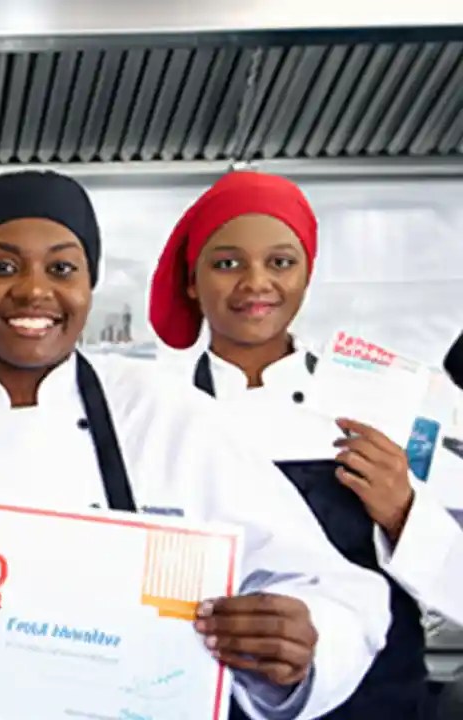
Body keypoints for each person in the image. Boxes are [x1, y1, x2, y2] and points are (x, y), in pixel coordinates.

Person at [0, 170, 392, 719]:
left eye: (63, 269)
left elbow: (336, 589)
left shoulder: (172, 418)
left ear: (89, 285)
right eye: (3, 267)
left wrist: (304, 640)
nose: (35, 290)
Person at [147, 171, 463, 716]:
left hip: (377, 701)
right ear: (193, 282)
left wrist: (404, 514)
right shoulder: (155, 412)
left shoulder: (392, 399)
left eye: (281, 262)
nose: (255, 282)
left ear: (306, 274)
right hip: (207, 700)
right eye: (227, 263)